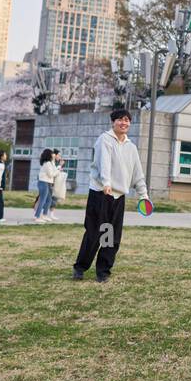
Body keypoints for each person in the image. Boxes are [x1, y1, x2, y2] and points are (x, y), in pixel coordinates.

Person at [73, 108, 148, 282]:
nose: (124, 123)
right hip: (100, 193)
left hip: (118, 196)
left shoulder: (131, 147)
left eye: (127, 120)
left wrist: (143, 194)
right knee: (94, 233)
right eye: (120, 120)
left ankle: (103, 271)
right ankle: (80, 267)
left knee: (111, 236)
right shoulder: (104, 140)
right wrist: (106, 183)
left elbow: (138, 173)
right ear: (113, 122)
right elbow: (103, 163)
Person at [34, 149, 59, 223]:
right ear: (49, 155)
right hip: (43, 183)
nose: (53, 155)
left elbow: (53, 167)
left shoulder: (50, 163)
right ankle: (37, 216)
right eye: (52, 154)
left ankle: (44, 215)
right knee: (43, 200)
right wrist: (58, 172)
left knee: (48, 200)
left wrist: (54, 161)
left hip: (47, 183)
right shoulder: (47, 163)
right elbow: (51, 174)